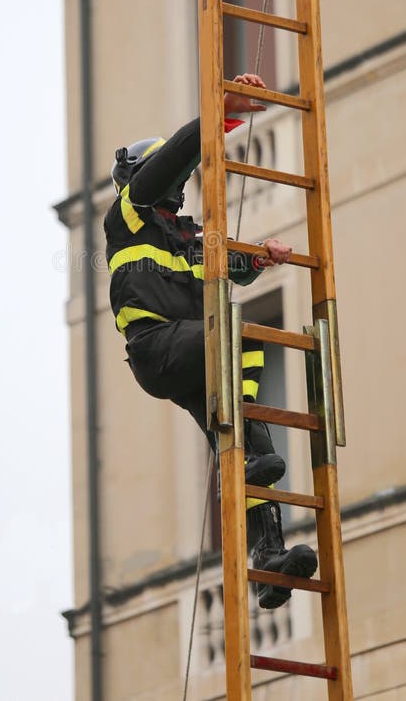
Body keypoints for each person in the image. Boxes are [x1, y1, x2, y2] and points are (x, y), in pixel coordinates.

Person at [104, 73, 317, 608]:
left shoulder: (187, 235)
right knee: (232, 334)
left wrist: (261, 257)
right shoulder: (128, 215)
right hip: (157, 348)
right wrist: (220, 113)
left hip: (192, 353)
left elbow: (229, 267)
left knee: (253, 435)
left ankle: (267, 562)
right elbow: (175, 155)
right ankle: (244, 465)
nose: (180, 179)